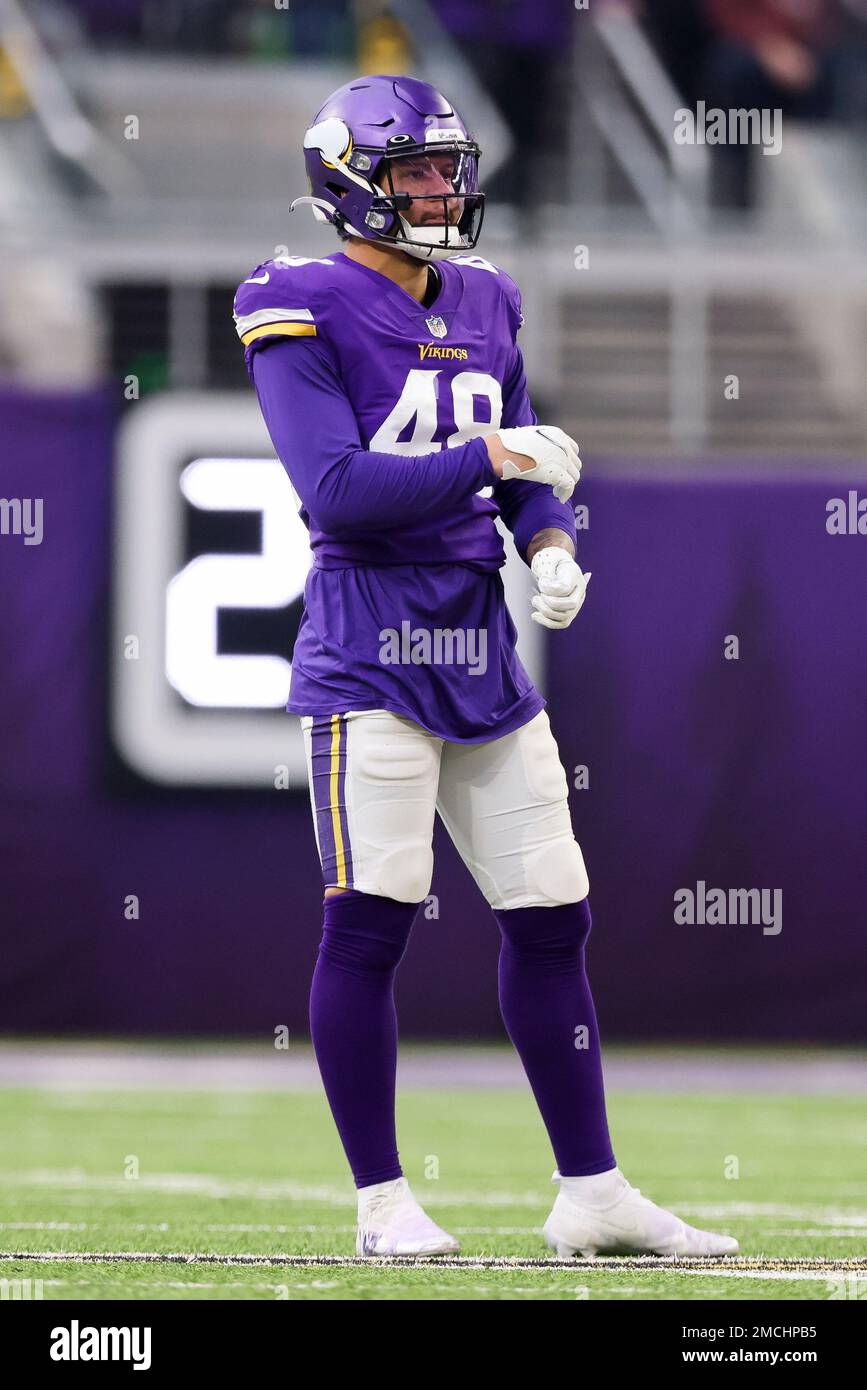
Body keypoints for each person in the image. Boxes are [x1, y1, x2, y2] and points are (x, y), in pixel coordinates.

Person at [233, 73, 738, 1260]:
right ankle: (381, 1202)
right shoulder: (294, 299)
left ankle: (594, 1190)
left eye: (445, 168)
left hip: (478, 641)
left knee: (554, 914)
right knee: (371, 921)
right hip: (369, 647)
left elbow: (519, 470)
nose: (438, 189)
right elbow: (340, 490)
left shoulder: (488, 298)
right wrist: (496, 452)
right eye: (412, 170)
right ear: (349, 179)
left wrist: (551, 537)